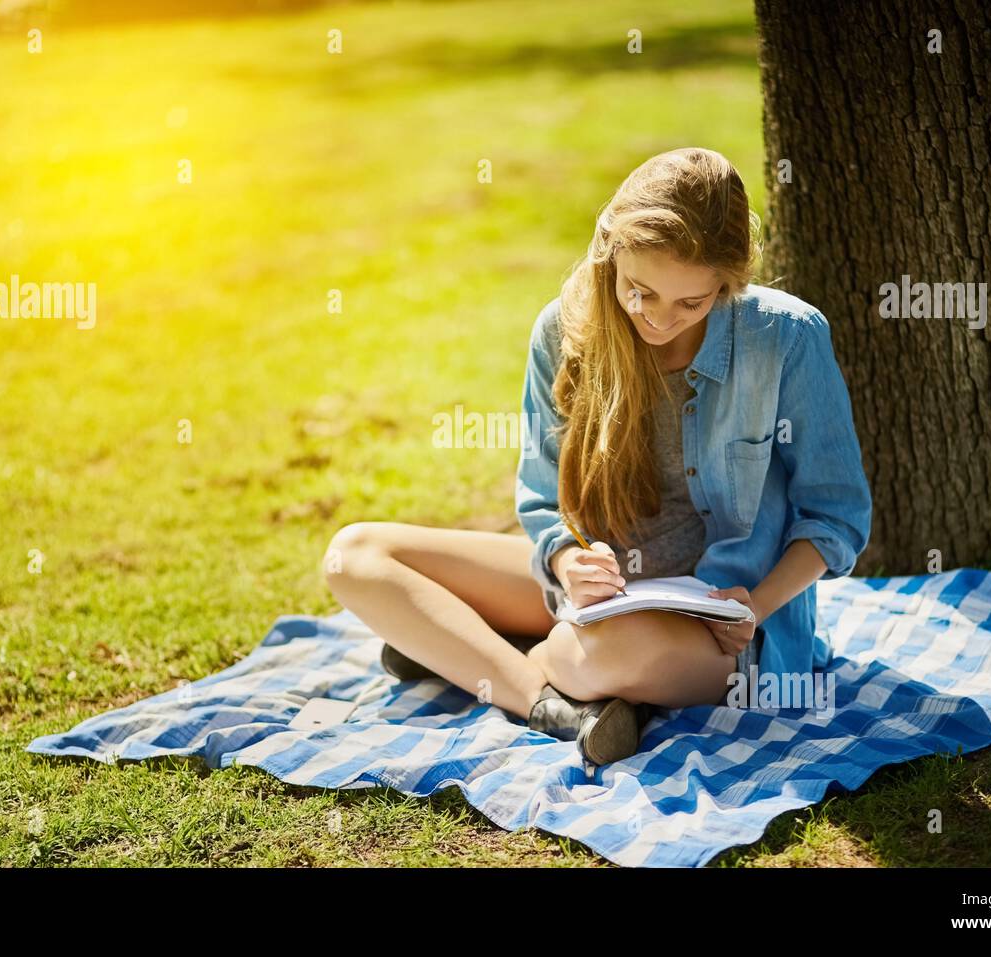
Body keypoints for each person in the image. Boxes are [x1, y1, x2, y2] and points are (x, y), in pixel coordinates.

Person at [323, 147, 872, 767]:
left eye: (692, 303)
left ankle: (467, 656)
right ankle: (545, 698)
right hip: (600, 597)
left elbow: (835, 517)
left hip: (723, 630)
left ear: (728, 283)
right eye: (640, 292)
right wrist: (565, 563)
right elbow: (539, 494)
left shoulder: (787, 337)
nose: (659, 320)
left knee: (612, 653)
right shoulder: (562, 331)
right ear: (610, 253)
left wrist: (757, 605)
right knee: (356, 556)